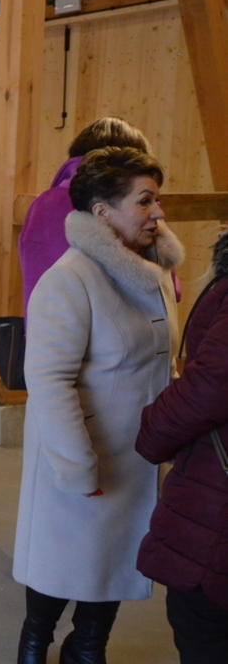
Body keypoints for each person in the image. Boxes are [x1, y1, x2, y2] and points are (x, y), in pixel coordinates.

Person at [14, 146, 184, 664]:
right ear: (103, 212)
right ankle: (34, 642)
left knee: (113, 558)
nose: (158, 213)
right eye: (145, 201)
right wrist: (77, 465)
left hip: (135, 456)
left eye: (158, 201)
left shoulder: (150, 274)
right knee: (62, 560)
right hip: (84, 453)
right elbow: (48, 380)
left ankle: (87, 647)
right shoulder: (69, 281)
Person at [136, 229, 228, 664]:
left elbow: (210, 386)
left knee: (201, 625)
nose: (157, 214)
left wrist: (153, 431)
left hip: (215, 496)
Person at [18, 117, 152, 311]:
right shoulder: (130, 205)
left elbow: (33, 270)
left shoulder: (43, 202)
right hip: (111, 330)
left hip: (45, 324)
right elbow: (163, 287)